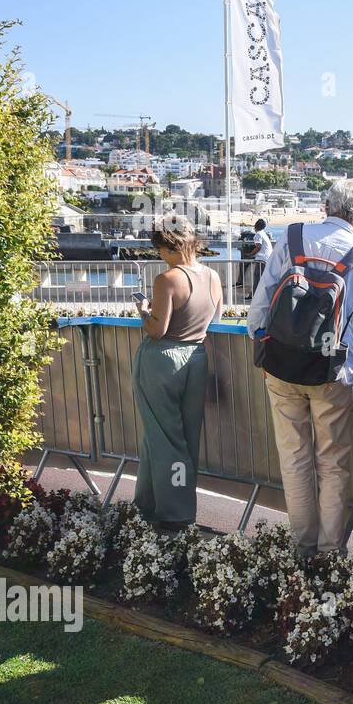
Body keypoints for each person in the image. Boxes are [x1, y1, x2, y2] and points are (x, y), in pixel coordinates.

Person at [248, 178, 353, 558]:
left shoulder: (292, 238)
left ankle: (301, 546)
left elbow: (261, 303)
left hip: (281, 366)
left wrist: (263, 340)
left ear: (326, 206)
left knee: (294, 458)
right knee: (333, 463)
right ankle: (330, 552)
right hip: (332, 371)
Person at [131, 216, 223, 529]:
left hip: (162, 361)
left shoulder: (167, 279)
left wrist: (144, 311)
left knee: (164, 437)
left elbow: (157, 330)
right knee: (183, 437)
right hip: (196, 358)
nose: (159, 256)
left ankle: (174, 514)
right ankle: (147, 504)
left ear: (170, 247)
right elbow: (216, 316)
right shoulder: (212, 275)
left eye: (159, 249)